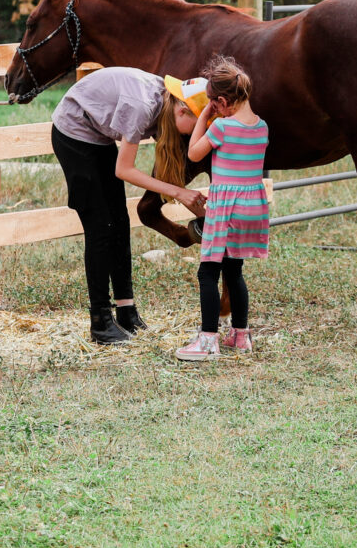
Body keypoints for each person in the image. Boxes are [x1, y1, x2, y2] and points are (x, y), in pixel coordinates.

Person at [50, 67, 209, 343]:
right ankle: (100, 321)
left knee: (119, 223)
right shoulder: (142, 107)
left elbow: (168, 171)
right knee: (101, 226)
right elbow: (124, 170)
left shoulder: (167, 107)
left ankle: (126, 311)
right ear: (183, 111)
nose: (197, 136)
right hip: (74, 131)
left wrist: (189, 203)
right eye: (199, 127)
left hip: (97, 133)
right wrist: (179, 193)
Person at [176, 57, 270, 362]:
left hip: (226, 208)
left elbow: (193, 152)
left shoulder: (223, 128)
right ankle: (240, 336)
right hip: (252, 208)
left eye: (214, 104)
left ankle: (207, 341)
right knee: (234, 271)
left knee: (207, 272)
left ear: (221, 101)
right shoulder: (262, 127)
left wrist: (204, 114)